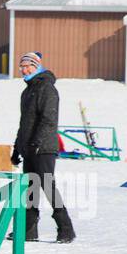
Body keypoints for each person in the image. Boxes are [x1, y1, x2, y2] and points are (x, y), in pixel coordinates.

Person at [13, 51, 76, 243]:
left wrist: (37, 142)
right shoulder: (27, 91)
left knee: (48, 186)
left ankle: (66, 229)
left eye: (27, 66)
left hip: (44, 147)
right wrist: (17, 148)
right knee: (30, 188)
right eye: (21, 67)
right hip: (29, 147)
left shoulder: (47, 88)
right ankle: (28, 230)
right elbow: (24, 123)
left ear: (36, 66)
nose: (24, 70)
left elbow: (49, 120)